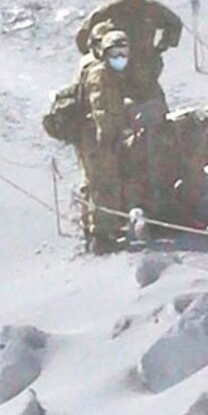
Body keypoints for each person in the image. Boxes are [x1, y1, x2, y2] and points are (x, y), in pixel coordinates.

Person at [43, 33, 157, 253]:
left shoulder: (112, 74)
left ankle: (97, 228)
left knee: (98, 181)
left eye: (123, 53)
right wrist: (109, 137)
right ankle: (101, 235)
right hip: (96, 137)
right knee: (103, 183)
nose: (120, 58)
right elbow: (102, 110)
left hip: (100, 135)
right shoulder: (101, 76)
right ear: (105, 54)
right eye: (115, 54)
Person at [75, 0, 183, 79]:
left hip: (145, 70)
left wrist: (162, 46)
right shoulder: (110, 10)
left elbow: (174, 23)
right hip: (115, 71)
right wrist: (97, 54)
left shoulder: (151, 9)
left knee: (151, 97)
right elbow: (84, 33)